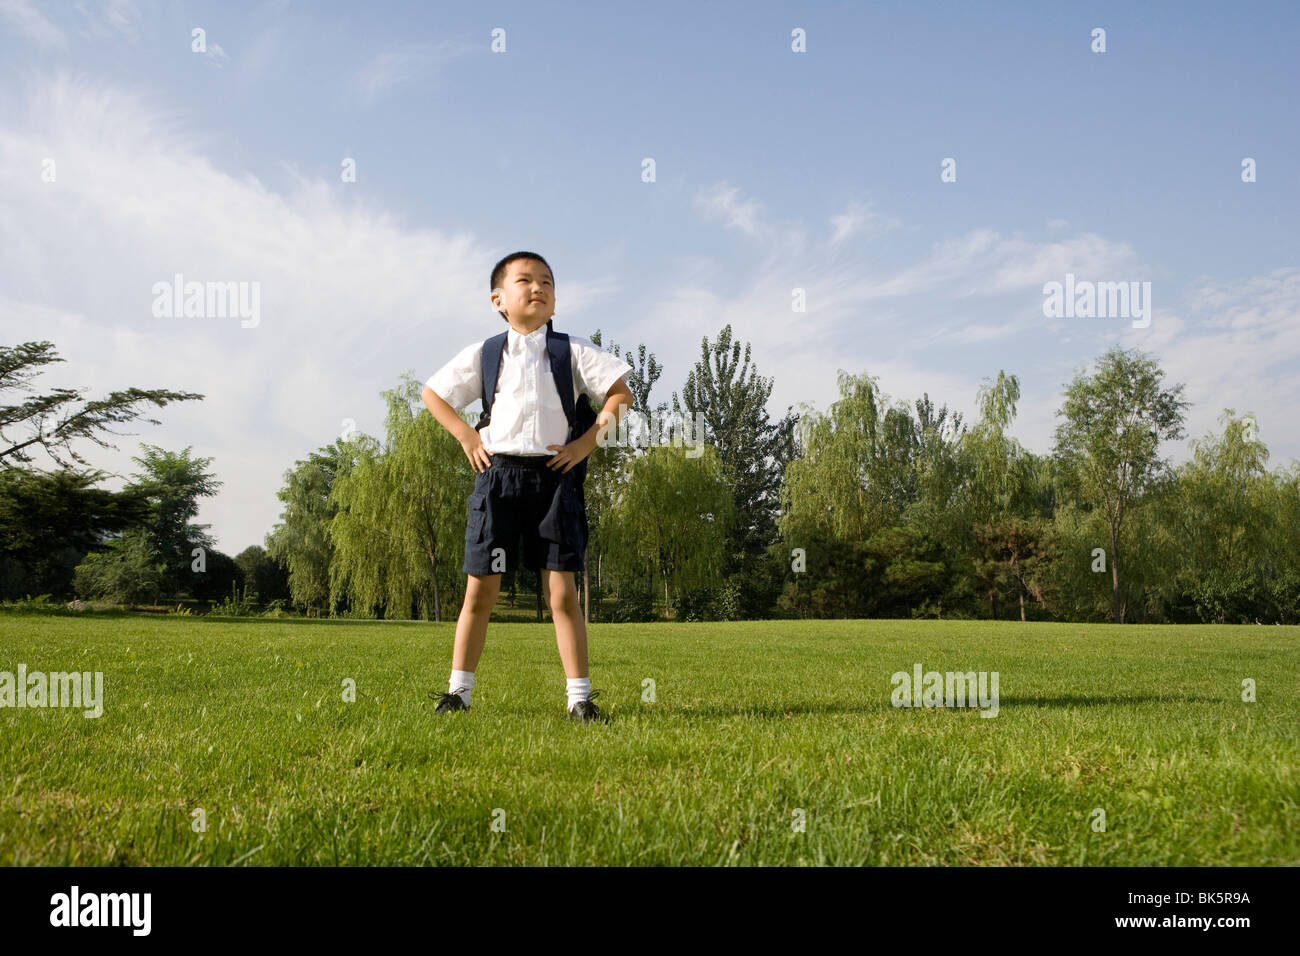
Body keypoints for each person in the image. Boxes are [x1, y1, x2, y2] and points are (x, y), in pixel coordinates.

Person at [420, 251, 634, 722]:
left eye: (546, 282)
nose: (537, 288)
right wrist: (465, 435)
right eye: (525, 281)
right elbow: (432, 393)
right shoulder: (485, 353)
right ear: (498, 299)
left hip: (555, 479)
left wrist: (585, 445)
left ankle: (579, 698)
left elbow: (621, 392)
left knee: (562, 593)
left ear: (554, 301)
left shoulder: (571, 351)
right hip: (496, 479)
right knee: (480, 591)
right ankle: (459, 693)